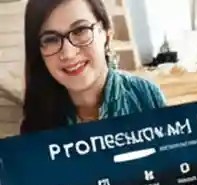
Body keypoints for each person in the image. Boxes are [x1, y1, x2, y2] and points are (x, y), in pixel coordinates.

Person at [20, 0, 166, 134]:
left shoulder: (145, 95)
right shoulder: (36, 120)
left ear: (107, 34)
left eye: (80, 30)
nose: (68, 54)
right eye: (51, 39)